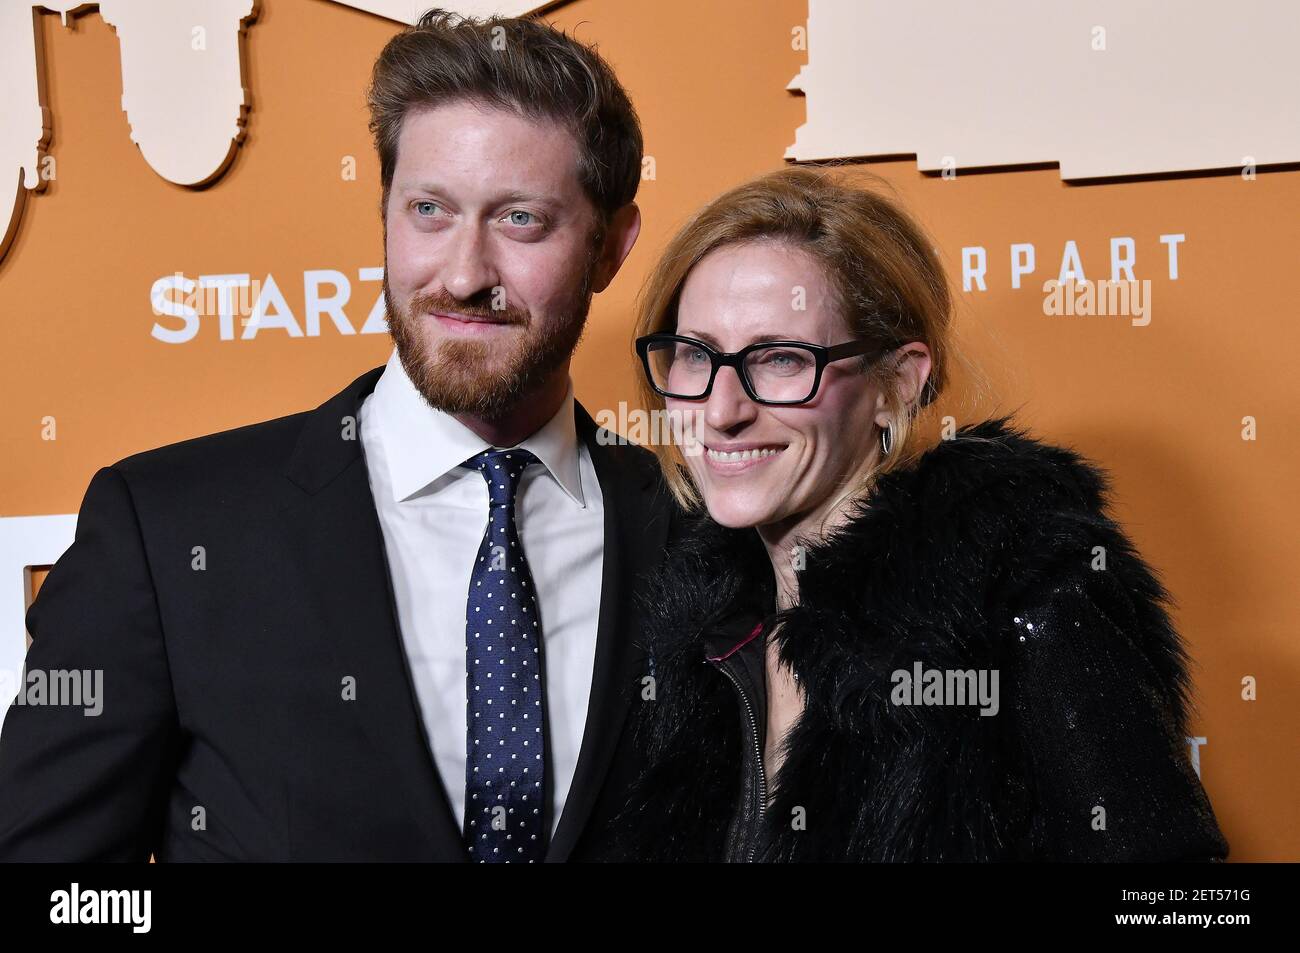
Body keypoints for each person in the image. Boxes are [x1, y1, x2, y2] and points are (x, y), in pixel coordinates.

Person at [0, 9, 677, 863]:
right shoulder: (168, 532)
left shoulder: (693, 534)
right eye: (429, 209)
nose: (464, 274)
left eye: (520, 222)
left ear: (612, 248)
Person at [603, 166, 1230, 862]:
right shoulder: (695, 630)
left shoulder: (1024, 594)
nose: (721, 411)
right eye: (696, 355)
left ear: (897, 383)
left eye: (780, 358)